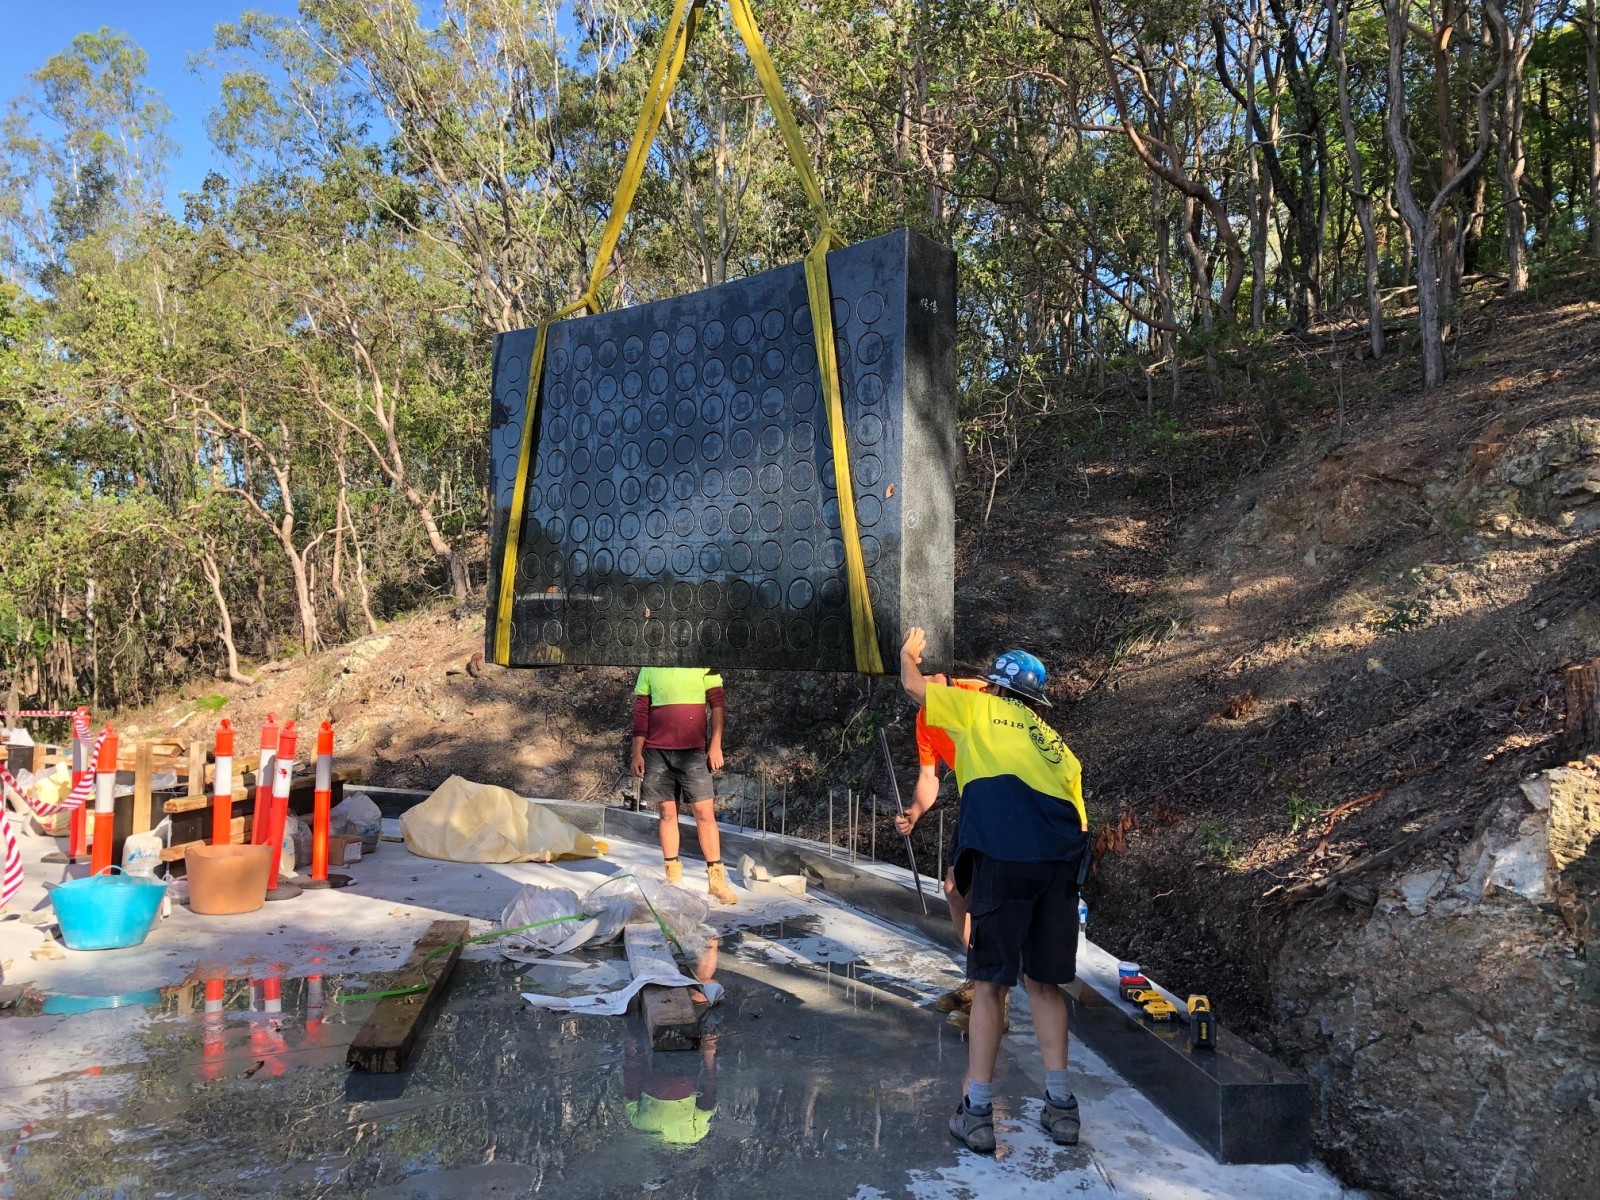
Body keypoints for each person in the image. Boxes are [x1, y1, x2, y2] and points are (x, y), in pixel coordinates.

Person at [898, 627, 1090, 1154]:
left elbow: (913, 686)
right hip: (1058, 867)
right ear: (1037, 701)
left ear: (994, 687)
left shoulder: (975, 709)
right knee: (1046, 986)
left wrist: (907, 654)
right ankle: (1062, 1109)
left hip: (1005, 858)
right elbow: (1078, 822)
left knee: (990, 987)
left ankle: (978, 1112)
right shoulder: (1059, 748)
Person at [894, 673, 990, 1022]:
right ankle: (978, 977)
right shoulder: (925, 717)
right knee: (954, 891)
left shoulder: (978, 693)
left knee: (991, 894)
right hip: (973, 798)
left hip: (1005, 795)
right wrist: (915, 811)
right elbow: (929, 776)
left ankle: (994, 1004)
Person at [630, 667, 738, 904]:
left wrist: (716, 745)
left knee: (704, 813)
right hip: (657, 753)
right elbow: (641, 713)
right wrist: (637, 752)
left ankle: (716, 880)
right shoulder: (650, 667)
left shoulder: (703, 663)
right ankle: (673, 878)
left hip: (694, 752)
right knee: (667, 813)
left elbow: (717, 703)